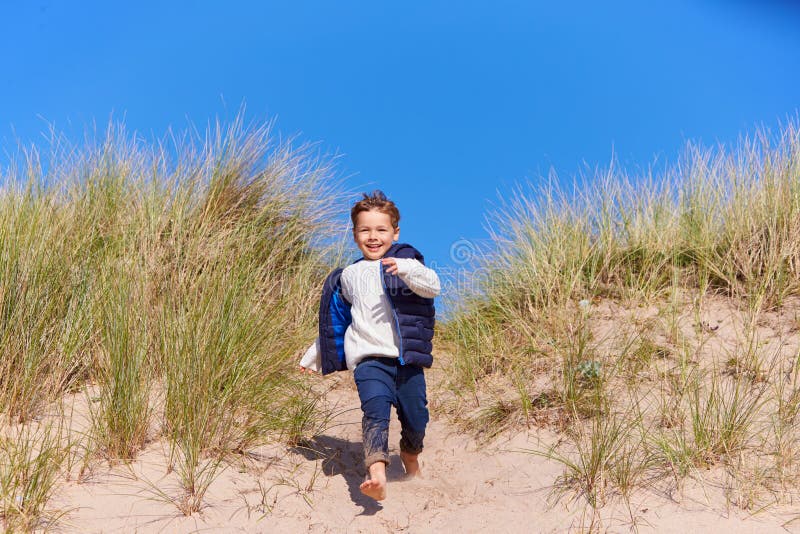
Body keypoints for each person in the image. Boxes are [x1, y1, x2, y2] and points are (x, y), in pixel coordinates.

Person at [299, 190, 440, 501]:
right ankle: (376, 472)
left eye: (381, 230)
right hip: (368, 360)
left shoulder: (408, 263)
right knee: (374, 411)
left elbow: (433, 287)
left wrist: (404, 269)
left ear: (395, 232)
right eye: (365, 230)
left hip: (406, 361)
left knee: (416, 419)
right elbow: (336, 322)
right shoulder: (348, 275)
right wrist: (315, 354)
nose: (373, 237)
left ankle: (410, 456)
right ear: (354, 234)